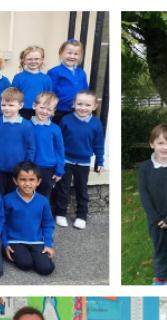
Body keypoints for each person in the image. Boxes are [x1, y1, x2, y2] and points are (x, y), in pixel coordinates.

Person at [53, 89, 104, 230]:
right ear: (73, 104)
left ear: (94, 107)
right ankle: (60, 213)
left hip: (83, 162)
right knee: (62, 188)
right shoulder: (66, 120)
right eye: (80, 104)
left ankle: (81, 216)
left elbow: (99, 144)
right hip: (65, 160)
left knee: (82, 189)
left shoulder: (96, 124)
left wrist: (100, 161)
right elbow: (58, 141)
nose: (83, 107)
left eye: (87, 105)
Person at [4, 161, 56, 275]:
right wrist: (5, 244)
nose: (27, 183)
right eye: (23, 179)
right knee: (25, 264)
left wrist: (48, 244)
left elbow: (48, 224)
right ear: (15, 181)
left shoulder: (43, 201)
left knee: (46, 269)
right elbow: (2, 223)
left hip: (36, 241)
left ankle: (35, 257)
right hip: (15, 241)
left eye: (32, 180)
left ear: (38, 182)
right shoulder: (8, 200)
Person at [0, 87, 34, 195]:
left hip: (18, 169)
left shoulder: (26, 125)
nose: (6, 108)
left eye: (11, 105)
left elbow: (31, 148)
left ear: (20, 105)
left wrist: (27, 166)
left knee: (14, 195)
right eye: (3, 105)